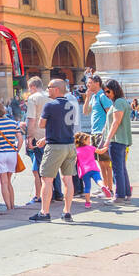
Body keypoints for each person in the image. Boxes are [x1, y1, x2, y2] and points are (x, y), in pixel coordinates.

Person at [32, 78, 78, 222]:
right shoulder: (71, 105)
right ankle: (67, 211)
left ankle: (44, 212)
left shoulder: (50, 106)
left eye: (50, 87)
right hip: (69, 145)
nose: (47, 89)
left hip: (55, 147)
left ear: (57, 89)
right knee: (68, 179)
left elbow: (41, 124)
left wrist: (47, 136)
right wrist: (46, 138)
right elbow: (64, 127)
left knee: (46, 179)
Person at [0, 101, 22, 214]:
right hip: (12, 154)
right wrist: (17, 149)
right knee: (9, 181)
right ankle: (12, 205)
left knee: (4, 182)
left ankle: (8, 207)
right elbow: (20, 139)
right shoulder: (13, 123)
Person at [83, 74, 115, 196]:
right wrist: (87, 97)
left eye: (90, 82)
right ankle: (105, 187)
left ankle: (110, 188)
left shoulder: (102, 96)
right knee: (100, 162)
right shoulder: (94, 97)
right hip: (95, 133)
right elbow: (86, 112)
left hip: (102, 132)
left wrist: (106, 132)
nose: (87, 85)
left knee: (106, 162)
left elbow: (110, 114)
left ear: (97, 83)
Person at [101, 78, 133, 200]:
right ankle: (126, 193)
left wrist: (108, 139)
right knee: (121, 167)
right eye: (105, 92)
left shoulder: (118, 103)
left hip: (116, 139)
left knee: (117, 168)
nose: (106, 95)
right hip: (121, 139)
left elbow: (116, 122)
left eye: (108, 91)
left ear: (114, 90)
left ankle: (119, 196)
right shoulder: (121, 101)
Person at [24, 76, 52, 204]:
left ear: (33, 87)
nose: (29, 91)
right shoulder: (50, 96)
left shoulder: (33, 98)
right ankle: (52, 193)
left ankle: (43, 196)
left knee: (41, 168)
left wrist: (29, 137)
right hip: (50, 135)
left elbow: (31, 119)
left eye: (29, 88)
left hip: (38, 136)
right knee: (49, 166)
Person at [74, 132, 110, 206]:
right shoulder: (91, 148)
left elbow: (74, 161)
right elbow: (101, 152)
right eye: (88, 140)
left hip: (84, 171)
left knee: (87, 187)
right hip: (94, 168)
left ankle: (87, 203)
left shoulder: (77, 150)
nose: (90, 142)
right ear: (83, 141)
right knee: (98, 180)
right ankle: (102, 186)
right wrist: (106, 146)